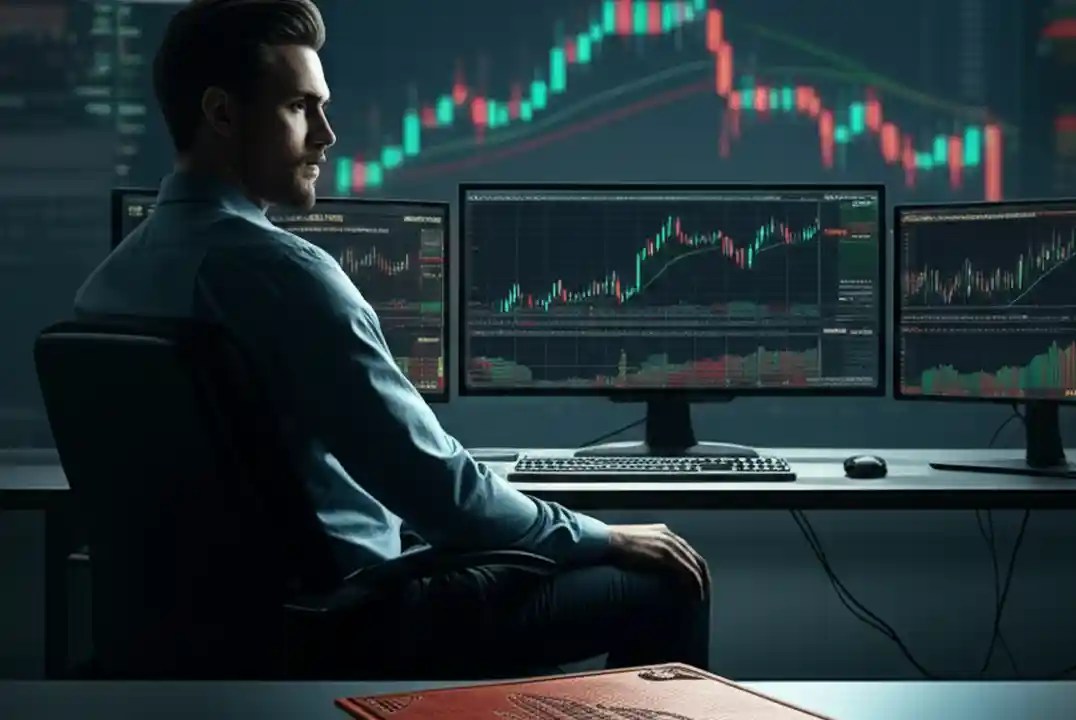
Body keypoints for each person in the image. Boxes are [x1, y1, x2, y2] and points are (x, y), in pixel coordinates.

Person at [74, 0, 709, 677]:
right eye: (300, 107)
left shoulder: (108, 285)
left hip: (205, 629)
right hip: (347, 623)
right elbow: (441, 491)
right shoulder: (280, 271)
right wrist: (600, 535)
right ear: (222, 114)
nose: (327, 135)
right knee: (666, 581)